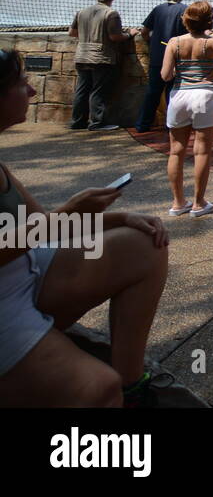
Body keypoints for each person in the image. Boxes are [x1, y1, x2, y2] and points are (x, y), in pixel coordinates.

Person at [0, 49, 171, 407]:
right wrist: (71, 208)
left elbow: (41, 225)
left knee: (144, 243)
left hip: (27, 270)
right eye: (21, 84)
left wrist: (120, 218)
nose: (32, 92)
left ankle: (132, 383)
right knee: (97, 390)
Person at [161, 1, 213, 217]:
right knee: (202, 150)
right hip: (205, 96)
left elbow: (165, 75)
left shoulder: (174, 42)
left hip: (179, 96)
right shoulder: (212, 43)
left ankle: (178, 203)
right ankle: (199, 203)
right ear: (210, 21)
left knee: (176, 151)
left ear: (186, 20)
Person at [69, 0, 138, 131]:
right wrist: (130, 34)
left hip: (82, 55)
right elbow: (115, 36)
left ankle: (77, 122)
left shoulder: (81, 12)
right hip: (101, 57)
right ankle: (97, 123)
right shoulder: (111, 13)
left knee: (81, 90)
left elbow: (72, 33)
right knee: (98, 91)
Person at [134, 0, 187, 132]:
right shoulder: (185, 10)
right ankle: (172, 125)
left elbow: (145, 31)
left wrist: (152, 43)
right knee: (173, 92)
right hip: (177, 58)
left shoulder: (158, 9)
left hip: (157, 57)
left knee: (153, 92)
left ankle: (142, 125)